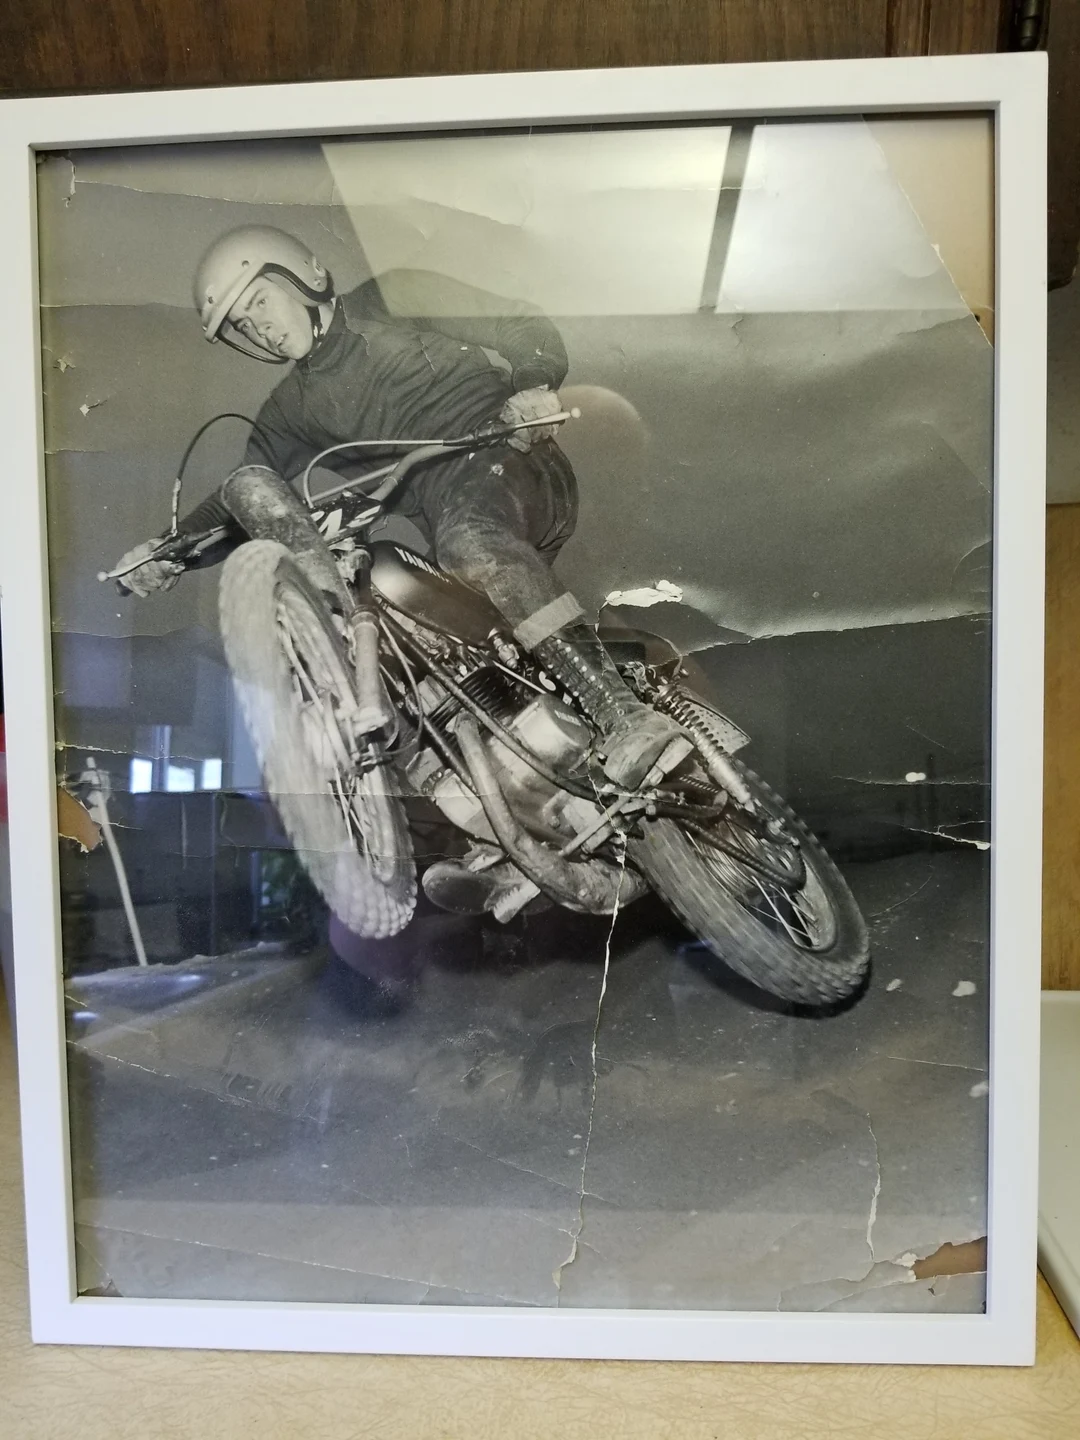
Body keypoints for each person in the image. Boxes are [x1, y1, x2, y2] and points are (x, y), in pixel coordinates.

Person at [114, 225, 685, 787]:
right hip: (448, 520)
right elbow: (246, 493)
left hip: (509, 462)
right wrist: (173, 552)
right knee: (408, 637)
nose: (258, 327)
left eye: (260, 301)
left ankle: (622, 713)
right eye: (242, 324)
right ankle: (510, 810)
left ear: (302, 276)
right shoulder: (291, 408)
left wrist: (532, 386)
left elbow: (519, 323)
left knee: (470, 542)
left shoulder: (393, 296)